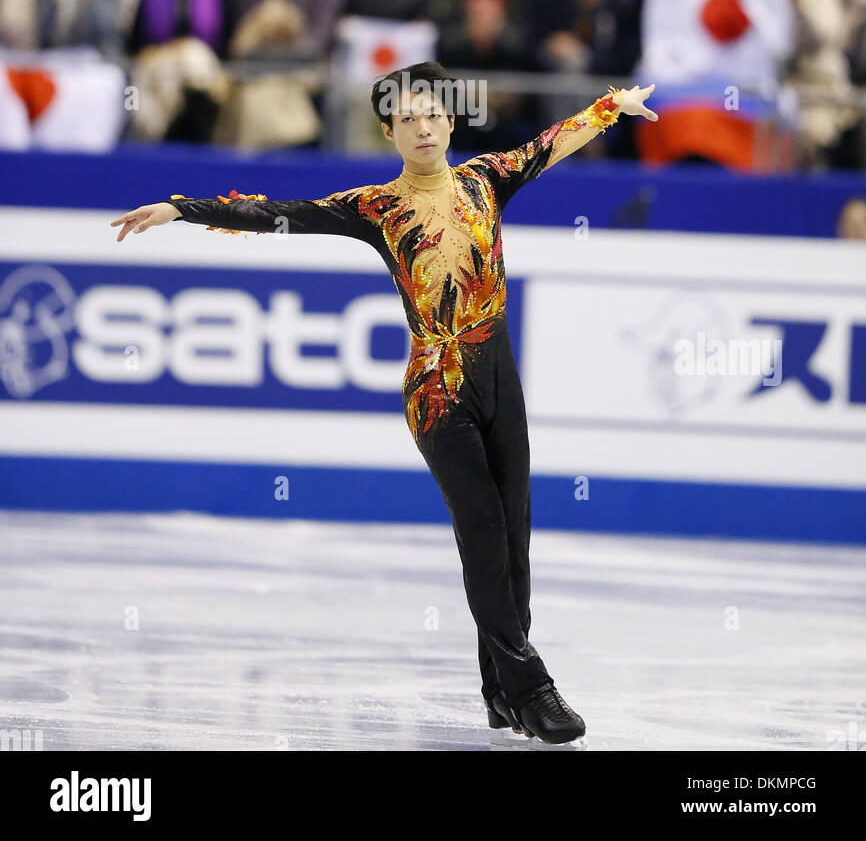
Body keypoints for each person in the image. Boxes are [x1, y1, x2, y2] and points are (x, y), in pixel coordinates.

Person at [109, 62, 658, 744]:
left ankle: (499, 694)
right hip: (436, 395)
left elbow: (552, 141)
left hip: (500, 384)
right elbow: (281, 214)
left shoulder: (486, 179)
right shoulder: (376, 207)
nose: (422, 127)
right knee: (483, 534)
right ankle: (533, 688)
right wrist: (182, 208)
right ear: (389, 133)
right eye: (407, 120)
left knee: (514, 544)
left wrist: (612, 105)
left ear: (450, 122)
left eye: (432, 115)